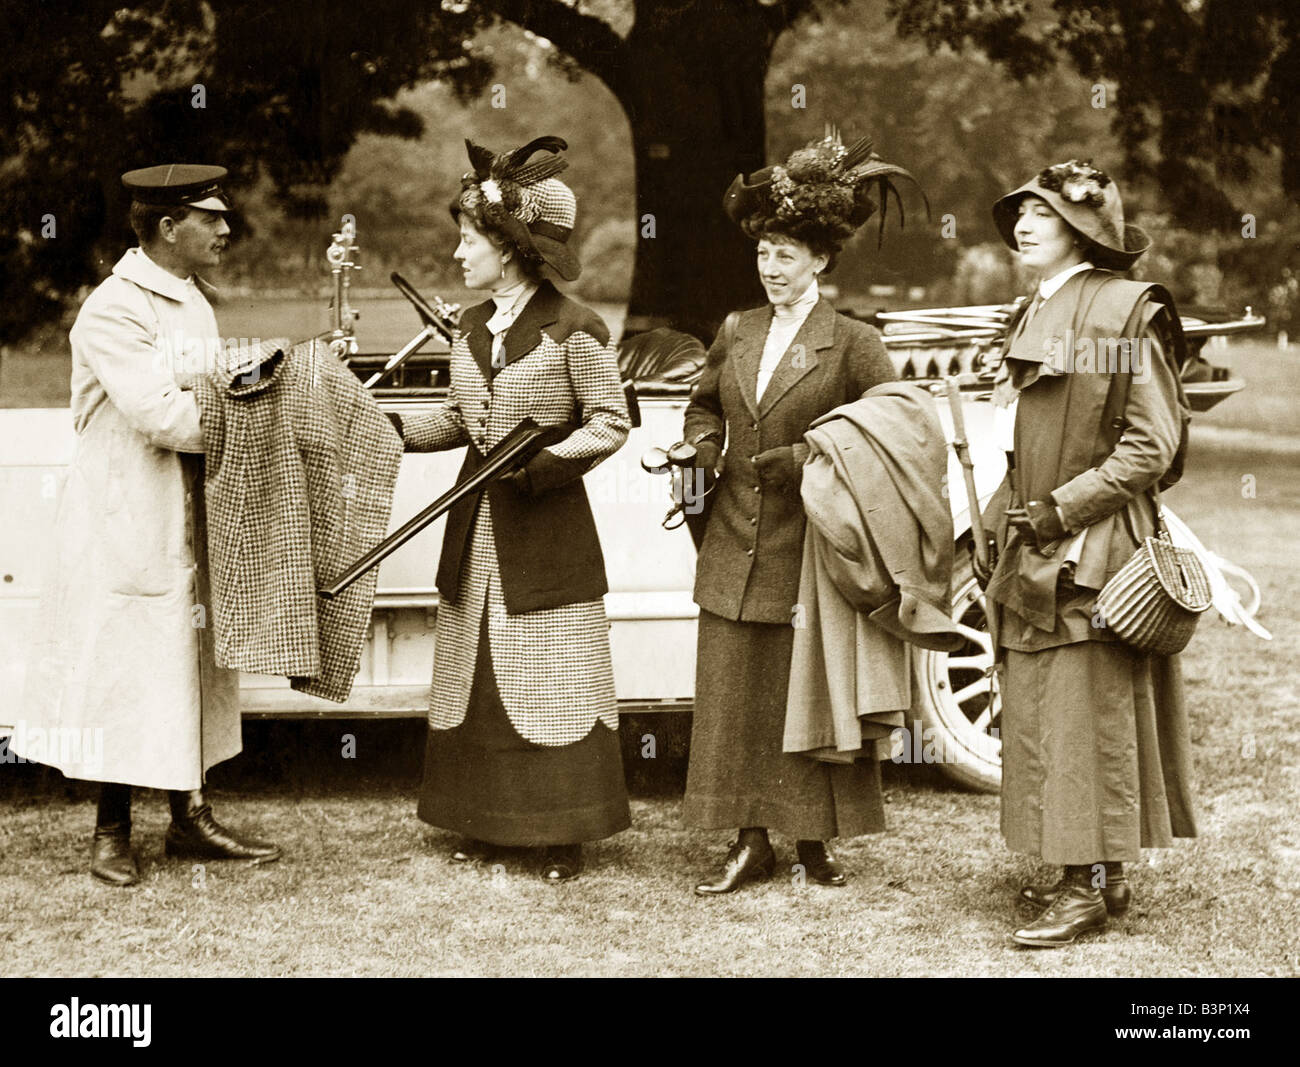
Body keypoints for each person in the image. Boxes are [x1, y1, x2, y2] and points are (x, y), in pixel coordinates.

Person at [14, 165, 281, 886]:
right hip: (124, 513)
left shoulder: (193, 300)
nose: (226, 230)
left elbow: (211, 389)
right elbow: (164, 413)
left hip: (187, 504)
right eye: (212, 218)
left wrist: (270, 385)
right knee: (125, 666)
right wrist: (260, 421)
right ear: (168, 227)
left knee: (186, 661)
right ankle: (111, 830)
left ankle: (189, 816)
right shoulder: (115, 308)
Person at [388, 135, 632, 882]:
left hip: (546, 529)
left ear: (510, 248)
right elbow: (462, 420)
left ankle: (559, 831)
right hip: (477, 530)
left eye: (469, 240)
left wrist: (543, 465)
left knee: (550, 674)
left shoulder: (575, 328)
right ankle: (487, 821)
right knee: (481, 674)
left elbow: (610, 420)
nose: (459, 253)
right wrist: (391, 429)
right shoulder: (467, 328)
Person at [681, 132, 917, 894]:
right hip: (732, 537)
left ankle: (814, 840)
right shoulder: (736, 328)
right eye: (763, 252)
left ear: (820, 260)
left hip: (813, 548)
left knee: (806, 691)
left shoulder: (855, 343)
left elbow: (893, 435)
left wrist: (808, 457)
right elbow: (704, 403)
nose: (770, 266)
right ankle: (749, 839)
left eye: (785, 253)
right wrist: (698, 446)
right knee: (737, 694)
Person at [982, 159, 1198, 947]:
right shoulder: (1041, 307)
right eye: (1020, 213)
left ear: (1084, 227)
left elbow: (1152, 446)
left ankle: (1086, 884)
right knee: (1049, 709)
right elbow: (1023, 438)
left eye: (1041, 212)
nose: (1024, 224)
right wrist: (999, 520)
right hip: (1034, 537)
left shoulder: (1117, 310)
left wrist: (1061, 510)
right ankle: (1095, 874)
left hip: (1089, 544)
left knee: (1085, 709)